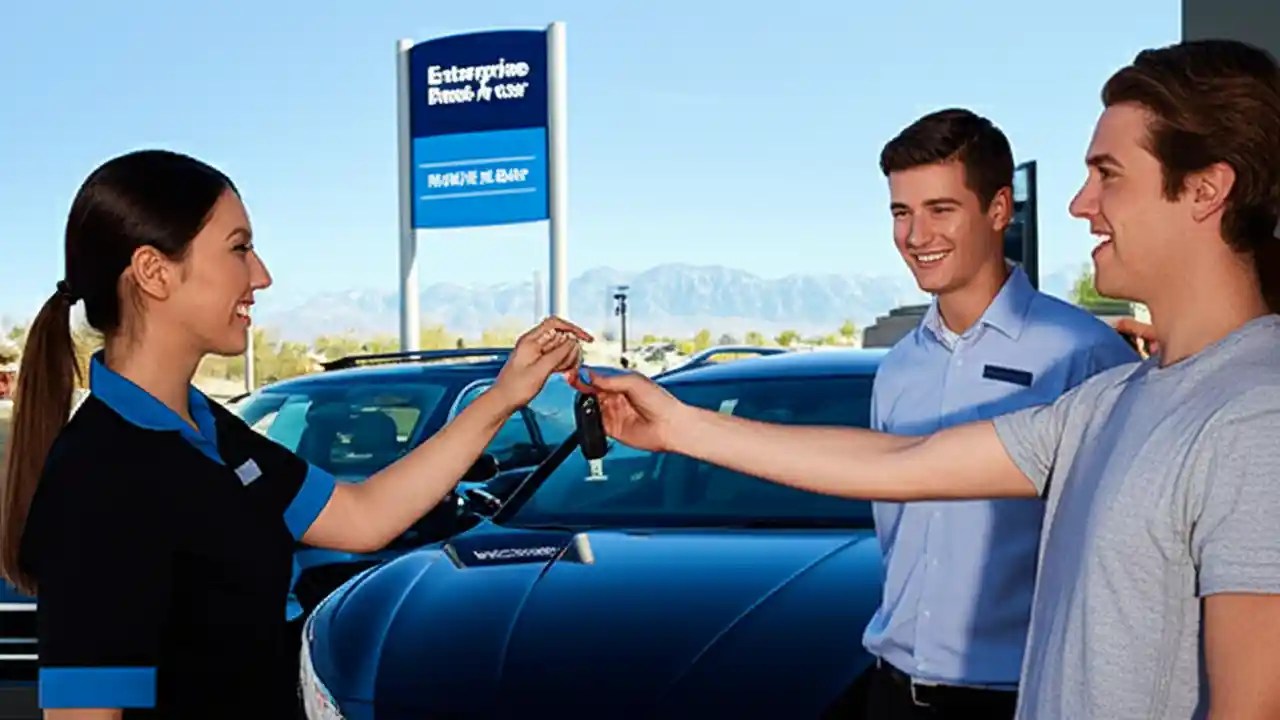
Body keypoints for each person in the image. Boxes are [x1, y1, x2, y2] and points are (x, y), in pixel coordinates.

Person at [573, 38, 1280, 719]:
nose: (1079, 203)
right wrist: (678, 425)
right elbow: (905, 461)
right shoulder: (1111, 402)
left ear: (1205, 190)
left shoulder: (1256, 416)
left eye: (1109, 174)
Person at [0, 149, 590, 720]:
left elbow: (363, 516)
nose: (262, 275)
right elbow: (83, 713)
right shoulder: (101, 475)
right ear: (155, 272)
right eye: (239, 248)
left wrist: (505, 394)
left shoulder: (208, 430)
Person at [860, 108, 1139, 718]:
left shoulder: (1084, 355)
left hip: (1017, 698)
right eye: (901, 213)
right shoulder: (896, 370)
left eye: (940, 210)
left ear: (998, 209)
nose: (915, 236)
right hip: (889, 691)